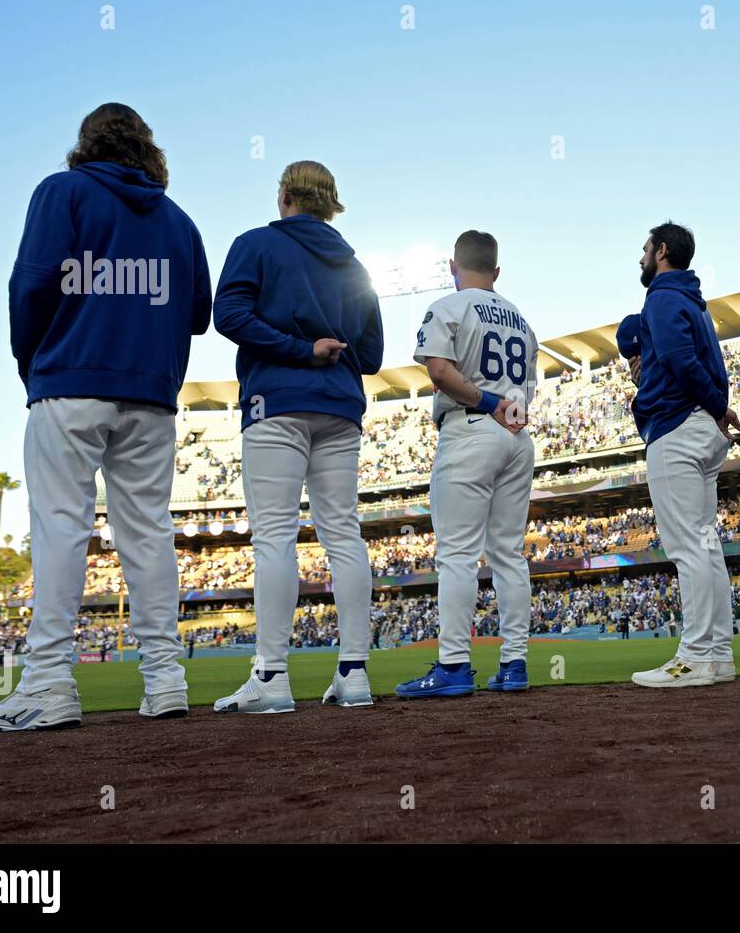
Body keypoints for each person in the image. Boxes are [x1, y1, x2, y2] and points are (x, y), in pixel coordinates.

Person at [0, 103, 211, 733]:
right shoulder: (178, 219)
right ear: (147, 147)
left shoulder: (62, 191)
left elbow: (31, 285)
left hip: (71, 379)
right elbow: (197, 313)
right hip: (150, 393)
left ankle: (49, 682)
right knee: (148, 531)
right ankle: (166, 680)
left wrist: (34, 362)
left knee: (60, 526)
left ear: (85, 143)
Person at [212, 160, 383, 713]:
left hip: (278, 400)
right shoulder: (354, 263)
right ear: (332, 202)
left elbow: (229, 316)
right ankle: (354, 673)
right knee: (343, 533)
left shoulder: (257, 243)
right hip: (339, 405)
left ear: (285, 194)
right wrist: (327, 346)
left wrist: (298, 348)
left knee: (275, 537)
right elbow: (374, 355)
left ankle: (271, 675)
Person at [395, 231, 537, 698]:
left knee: (457, 555)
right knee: (509, 555)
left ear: (452, 266)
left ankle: (454, 665)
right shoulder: (520, 319)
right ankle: (514, 664)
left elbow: (438, 371)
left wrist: (486, 399)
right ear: (496, 272)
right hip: (518, 437)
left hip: (473, 426)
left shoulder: (449, 307)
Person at [627, 223, 740, 688]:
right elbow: (684, 359)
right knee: (707, 546)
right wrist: (716, 405)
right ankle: (717, 654)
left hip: (677, 427)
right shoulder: (693, 299)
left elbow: (677, 357)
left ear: (663, 251)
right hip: (699, 426)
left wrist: (715, 405)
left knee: (688, 547)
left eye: (645, 248)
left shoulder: (662, 295)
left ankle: (695, 655)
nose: (640, 257)